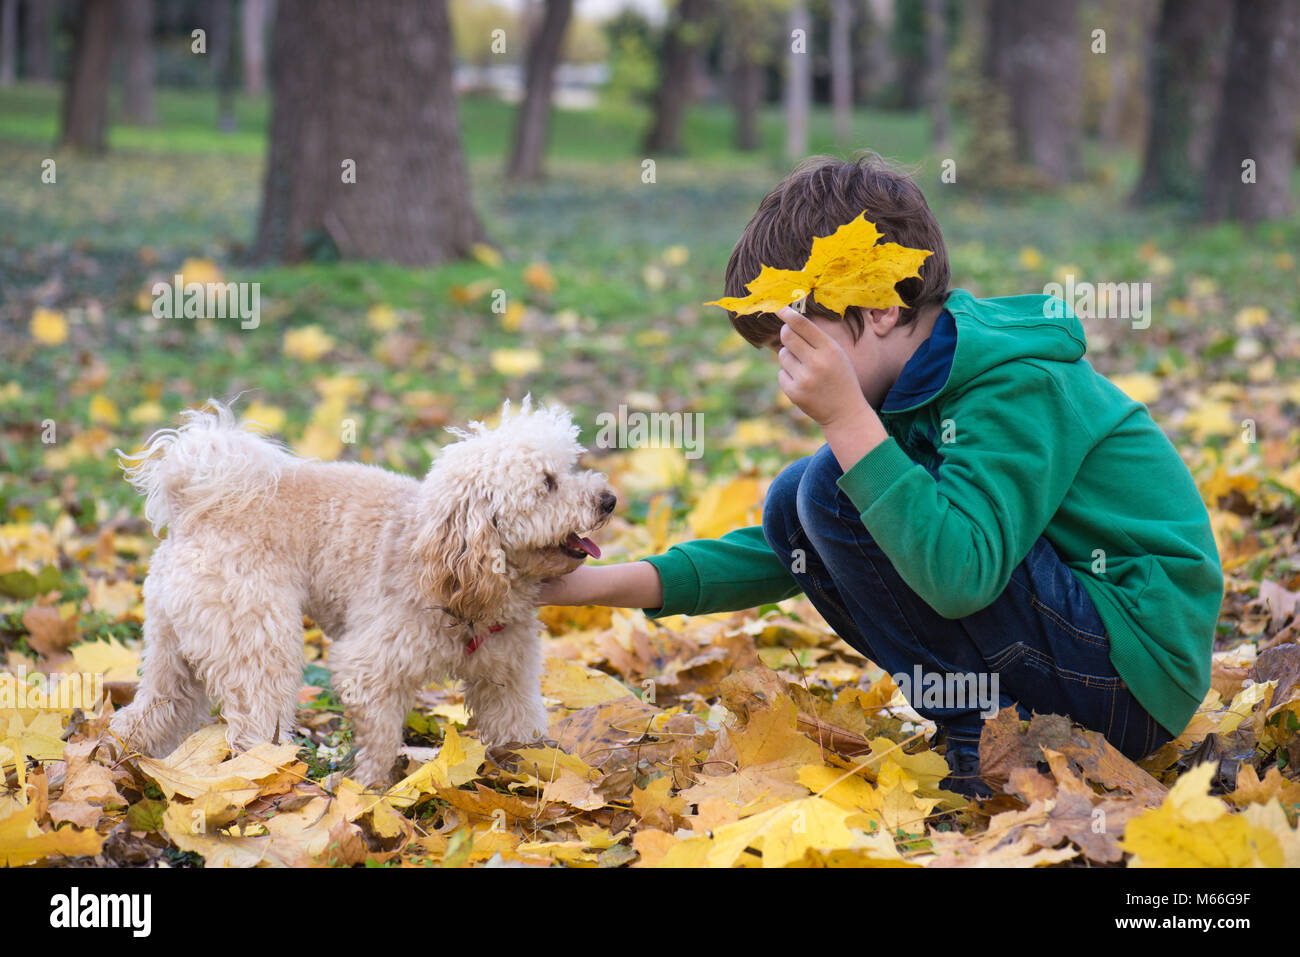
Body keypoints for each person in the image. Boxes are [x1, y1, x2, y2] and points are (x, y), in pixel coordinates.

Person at [538, 153, 1223, 797]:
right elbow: (786, 546)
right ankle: (990, 730)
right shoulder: (912, 383)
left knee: (830, 486)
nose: (789, 373)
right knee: (795, 499)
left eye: (797, 341)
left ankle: (982, 740)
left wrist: (847, 421)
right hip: (1080, 650)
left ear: (883, 307)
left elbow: (962, 573)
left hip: (1130, 675)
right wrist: (591, 586)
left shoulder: (1013, 383)